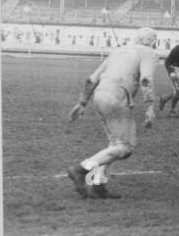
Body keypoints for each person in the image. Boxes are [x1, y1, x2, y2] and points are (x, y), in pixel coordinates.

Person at [65, 27, 160, 199]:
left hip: (100, 94)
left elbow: (92, 78)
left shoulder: (118, 51)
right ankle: (81, 169)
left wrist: (82, 102)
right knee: (125, 147)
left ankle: (98, 184)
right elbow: (146, 79)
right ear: (150, 41)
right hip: (117, 97)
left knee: (114, 142)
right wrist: (150, 106)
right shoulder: (149, 52)